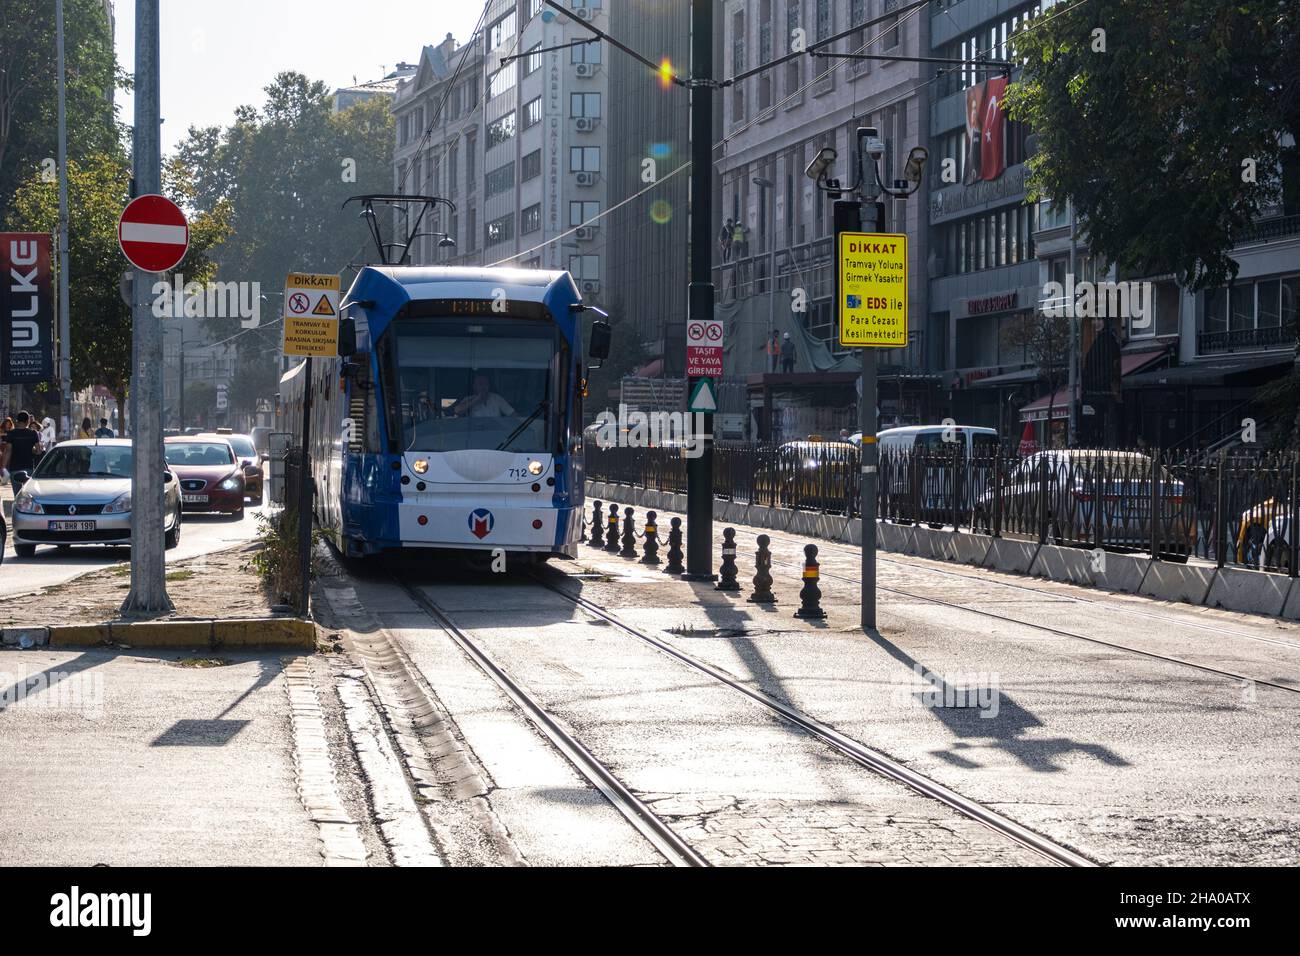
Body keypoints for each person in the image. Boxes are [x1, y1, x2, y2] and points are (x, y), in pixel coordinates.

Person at [0, 412, 44, 495]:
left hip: (14, 468)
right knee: (28, 495)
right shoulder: (33, 433)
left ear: (17, 421)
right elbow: (38, 451)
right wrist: (32, 449)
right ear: (28, 421)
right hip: (29, 467)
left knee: (17, 495)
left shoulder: (11, 433)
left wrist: (3, 467)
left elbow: (8, 451)